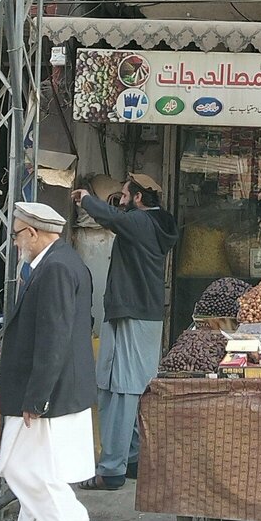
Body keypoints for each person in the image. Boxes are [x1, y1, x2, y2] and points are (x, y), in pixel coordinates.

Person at [72, 172, 178, 490]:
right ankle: (132, 459)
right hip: (139, 315)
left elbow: (112, 217)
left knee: (120, 391)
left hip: (131, 314)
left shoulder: (143, 223)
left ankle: (112, 470)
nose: (121, 198)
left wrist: (85, 199)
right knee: (126, 389)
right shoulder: (155, 224)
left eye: (126, 193)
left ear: (139, 198)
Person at [0, 201, 97, 521]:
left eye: (16, 236)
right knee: (38, 472)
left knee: (25, 471)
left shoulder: (54, 268)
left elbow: (54, 338)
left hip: (47, 394)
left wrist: (37, 398)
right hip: (57, 389)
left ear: (34, 233)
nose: (15, 243)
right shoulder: (64, 261)